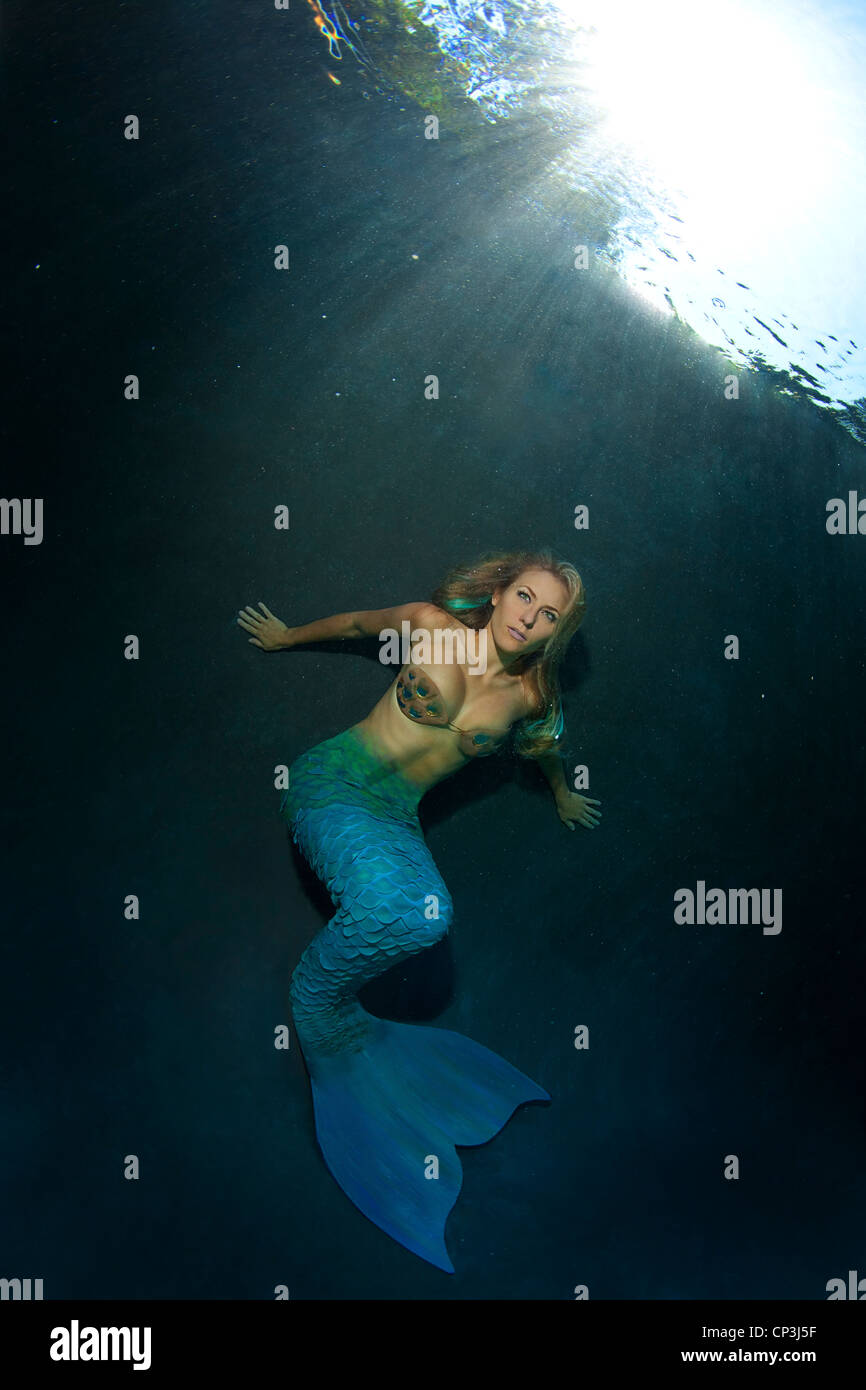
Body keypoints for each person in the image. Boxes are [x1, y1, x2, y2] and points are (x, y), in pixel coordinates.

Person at [237, 549, 600, 1272]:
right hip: (332, 785)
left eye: (549, 613)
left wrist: (560, 792)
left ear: (555, 631)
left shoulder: (530, 699)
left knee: (428, 914)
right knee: (402, 910)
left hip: (395, 819)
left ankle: (336, 1012)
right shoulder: (431, 626)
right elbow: (361, 623)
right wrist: (286, 636)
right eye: (524, 596)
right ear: (499, 594)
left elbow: (544, 752)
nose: (530, 616)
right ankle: (315, 1000)